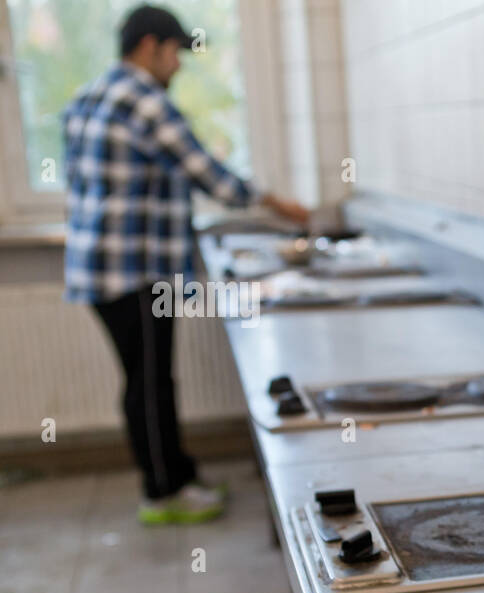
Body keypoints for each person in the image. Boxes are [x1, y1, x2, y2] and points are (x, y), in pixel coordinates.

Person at [62, 4, 310, 524]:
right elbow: (210, 175)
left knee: (144, 379)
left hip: (98, 267)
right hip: (136, 272)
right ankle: (163, 492)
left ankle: (175, 473)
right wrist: (273, 202)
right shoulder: (145, 100)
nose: (178, 67)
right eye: (176, 54)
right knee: (150, 383)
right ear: (151, 46)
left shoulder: (88, 96)